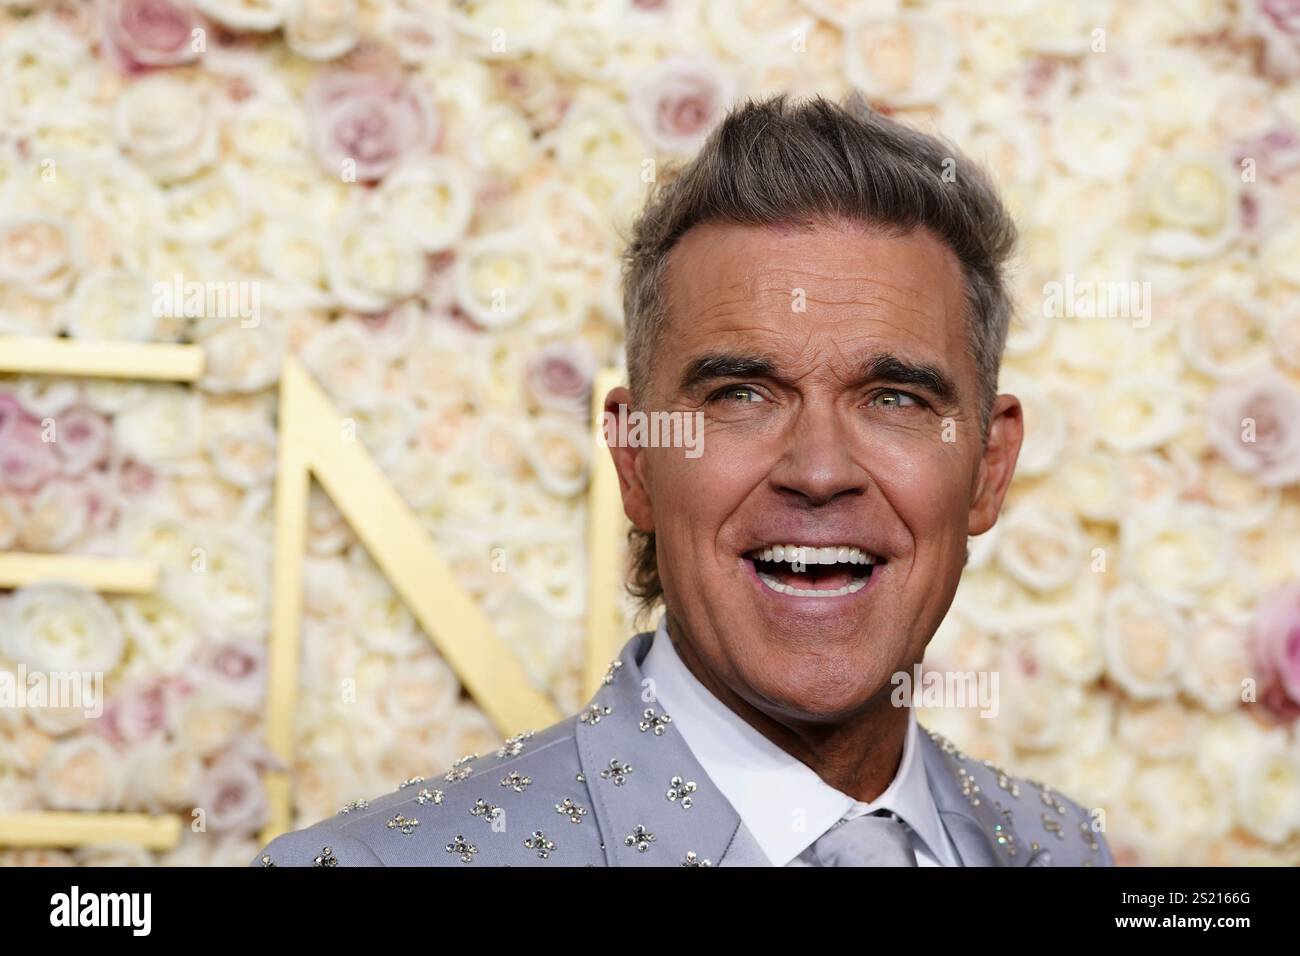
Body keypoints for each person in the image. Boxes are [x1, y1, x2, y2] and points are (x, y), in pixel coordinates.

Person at [253, 92, 1112, 867]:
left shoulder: (1062, 848)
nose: (819, 471)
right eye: (741, 394)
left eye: (893, 398)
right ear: (635, 459)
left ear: (989, 470)